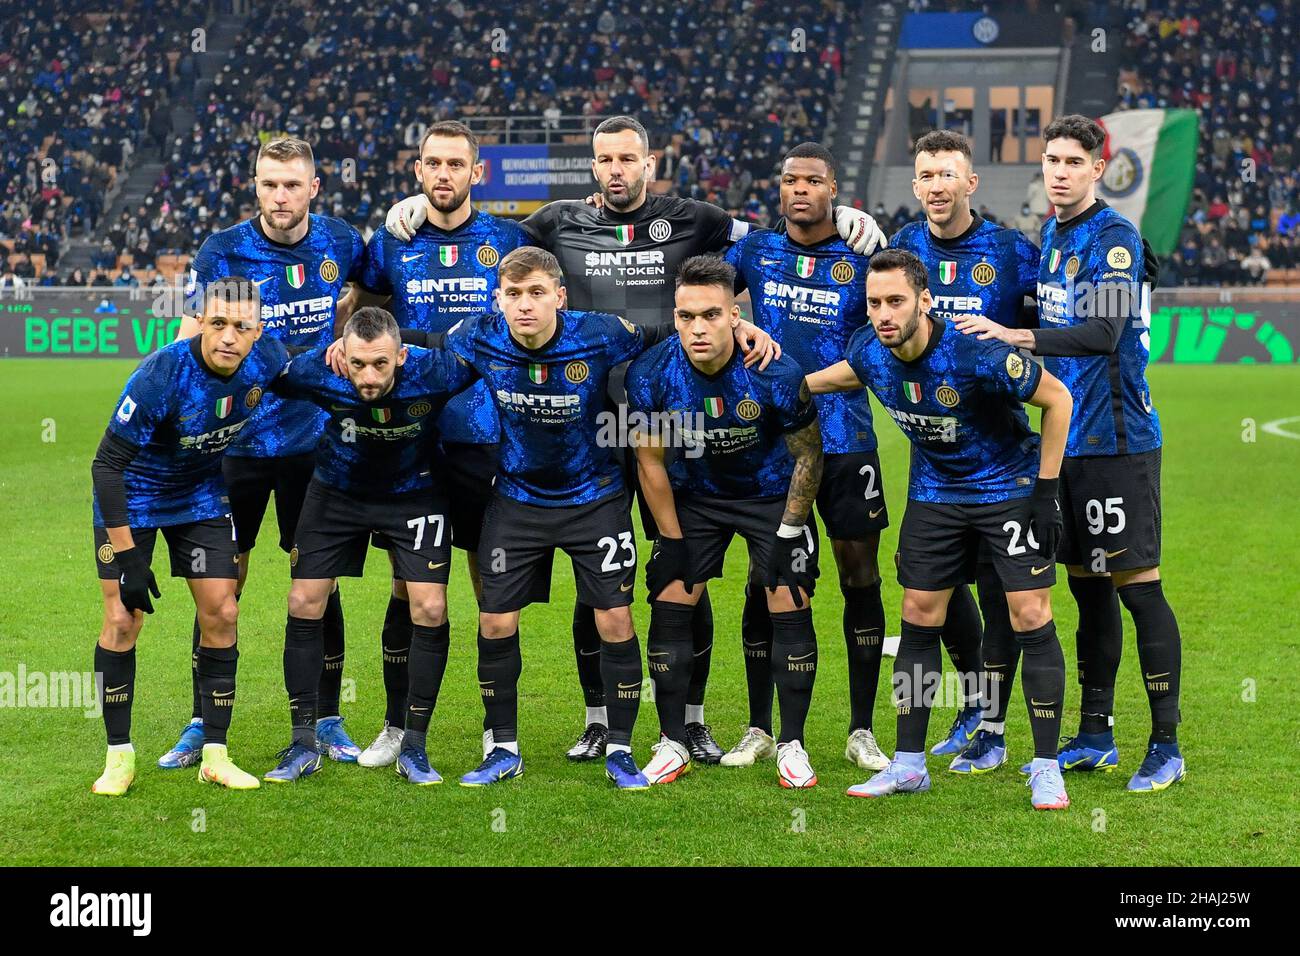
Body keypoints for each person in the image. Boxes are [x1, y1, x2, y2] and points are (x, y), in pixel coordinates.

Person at [384, 115, 885, 764]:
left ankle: (693, 721)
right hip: (584, 426)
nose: (616, 170)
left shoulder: (694, 219)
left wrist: (845, 215)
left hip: (672, 422)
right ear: (592, 167)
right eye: (605, 160)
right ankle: (598, 719)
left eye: (628, 159)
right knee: (600, 582)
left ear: (651, 163)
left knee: (684, 571)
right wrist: (417, 203)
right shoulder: (556, 221)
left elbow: (778, 235)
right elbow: (476, 223)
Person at [439, 246, 775, 790]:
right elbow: (412, 360)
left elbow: (673, 335)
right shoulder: (473, 337)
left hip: (595, 499)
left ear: (560, 297)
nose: (525, 305)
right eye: (513, 295)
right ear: (497, 298)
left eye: (537, 293)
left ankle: (620, 748)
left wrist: (746, 332)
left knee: (615, 619)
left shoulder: (602, 333)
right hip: (516, 500)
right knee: (495, 620)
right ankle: (502, 746)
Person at [955, 114, 1185, 793]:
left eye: (1071, 161)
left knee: (1138, 590)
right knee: (1088, 591)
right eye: (1050, 160)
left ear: (1097, 167)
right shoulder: (1052, 235)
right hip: (1069, 442)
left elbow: (1105, 331)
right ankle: (1095, 731)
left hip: (1118, 444)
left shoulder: (1111, 237)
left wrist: (1015, 336)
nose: (1057, 171)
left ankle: (1167, 745)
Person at [807, 248, 1076, 810]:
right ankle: (908, 765)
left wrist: (1047, 492)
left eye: (895, 301)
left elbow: (1058, 398)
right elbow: (845, 374)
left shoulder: (976, 352)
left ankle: (1047, 767)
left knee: (1031, 614)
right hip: (936, 495)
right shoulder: (868, 348)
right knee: (919, 616)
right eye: (874, 302)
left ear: (924, 302)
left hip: (1009, 487)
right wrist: (781, 382)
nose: (883, 313)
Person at [163, 137, 367, 770]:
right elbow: (190, 335)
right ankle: (203, 718)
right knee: (221, 586)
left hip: (316, 443)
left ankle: (326, 718)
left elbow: (376, 289)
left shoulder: (341, 242)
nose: (280, 196)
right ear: (256, 186)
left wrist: (349, 327)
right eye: (269, 184)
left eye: (291, 185)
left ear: (313, 188)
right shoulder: (223, 250)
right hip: (237, 445)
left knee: (317, 583)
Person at [341, 121, 531, 767]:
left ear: (477, 173)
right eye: (432, 164)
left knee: (491, 590)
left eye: (456, 164)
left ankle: (496, 732)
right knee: (408, 586)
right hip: (410, 441)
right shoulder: (393, 240)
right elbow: (361, 306)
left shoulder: (509, 239)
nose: (444, 174)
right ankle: (396, 727)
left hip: (484, 439)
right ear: (416, 171)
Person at [88, 278, 292, 796]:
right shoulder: (163, 372)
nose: (227, 336)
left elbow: (312, 378)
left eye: (240, 326)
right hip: (132, 497)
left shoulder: (267, 359)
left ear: (258, 330)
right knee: (122, 618)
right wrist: (130, 558)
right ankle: (118, 757)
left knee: (223, 611)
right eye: (217, 323)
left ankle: (215, 755)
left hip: (198, 496)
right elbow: (107, 467)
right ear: (199, 320)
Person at [724, 142, 890, 773]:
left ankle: (861, 730)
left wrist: (873, 233)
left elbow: (885, 339)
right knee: (766, 578)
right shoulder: (755, 251)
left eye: (812, 181)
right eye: (789, 179)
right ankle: (760, 727)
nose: (799, 190)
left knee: (859, 576)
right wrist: (739, 326)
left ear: (833, 189)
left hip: (846, 439)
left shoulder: (862, 253)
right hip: (770, 445)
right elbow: (706, 291)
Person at [628, 256, 824, 788]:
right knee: (671, 598)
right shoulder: (650, 373)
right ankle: (672, 742)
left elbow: (809, 456)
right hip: (696, 497)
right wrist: (670, 539)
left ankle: (792, 744)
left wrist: (788, 531)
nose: (697, 328)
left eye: (711, 315)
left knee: (789, 596)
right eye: (687, 316)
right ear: (674, 317)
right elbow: (649, 460)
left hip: (769, 496)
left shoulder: (776, 371)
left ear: (735, 315)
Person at [262, 307, 477, 785]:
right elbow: (263, 362)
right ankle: (302, 743)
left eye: (380, 363)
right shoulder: (320, 369)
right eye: (357, 364)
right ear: (343, 354)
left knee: (429, 607)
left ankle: (412, 745)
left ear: (401, 356)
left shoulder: (437, 370)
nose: (368, 376)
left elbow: (489, 341)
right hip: (336, 492)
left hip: (415, 493)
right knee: (303, 599)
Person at [889, 129, 1040, 770]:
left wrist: (1015, 335)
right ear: (916, 183)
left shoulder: (1009, 250)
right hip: (934, 463)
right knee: (929, 591)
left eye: (947, 174)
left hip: (1001, 459)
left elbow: (1059, 313)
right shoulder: (902, 247)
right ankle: (973, 704)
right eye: (925, 175)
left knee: (1000, 589)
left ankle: (992, 721)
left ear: (969, 182)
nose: (936, 186)